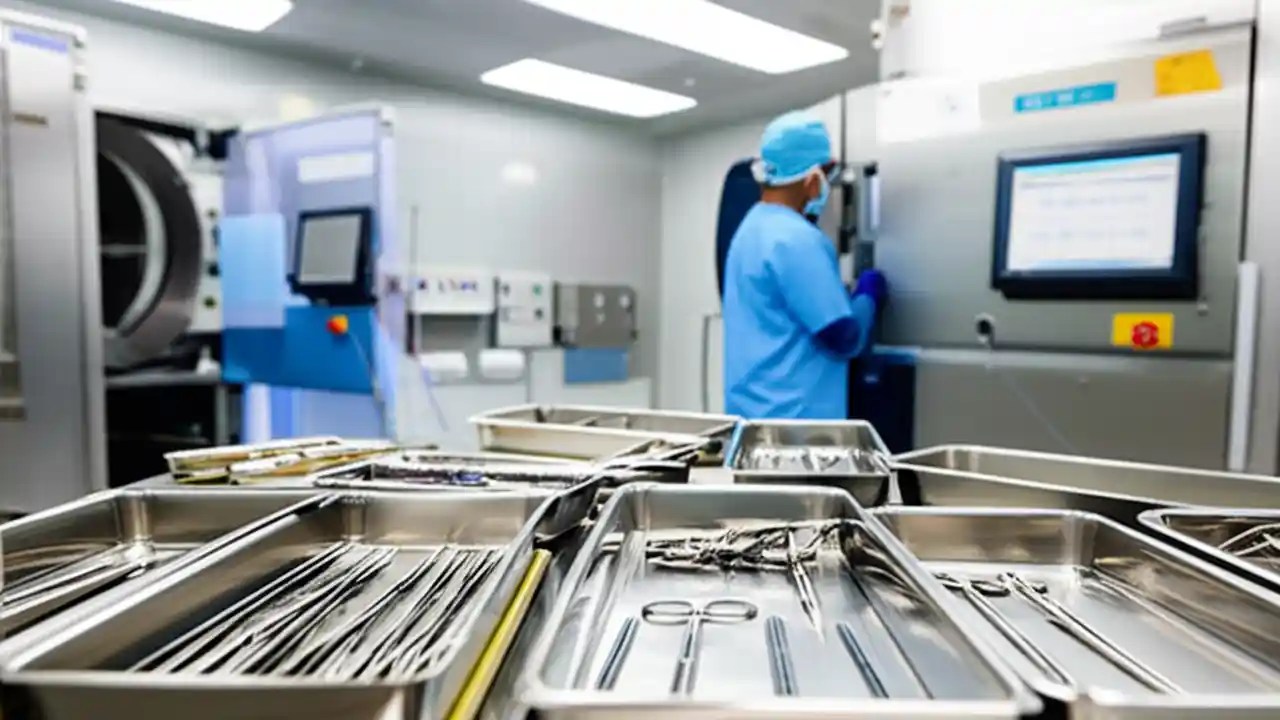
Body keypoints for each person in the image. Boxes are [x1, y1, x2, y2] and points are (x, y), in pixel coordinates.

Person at [723, 111, 888, 419]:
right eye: (828, 174)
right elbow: (844, 337)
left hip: (752, 416)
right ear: (812, 178)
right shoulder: (796, 238)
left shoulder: (751, 227)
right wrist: (868, 295)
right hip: (795, 425)